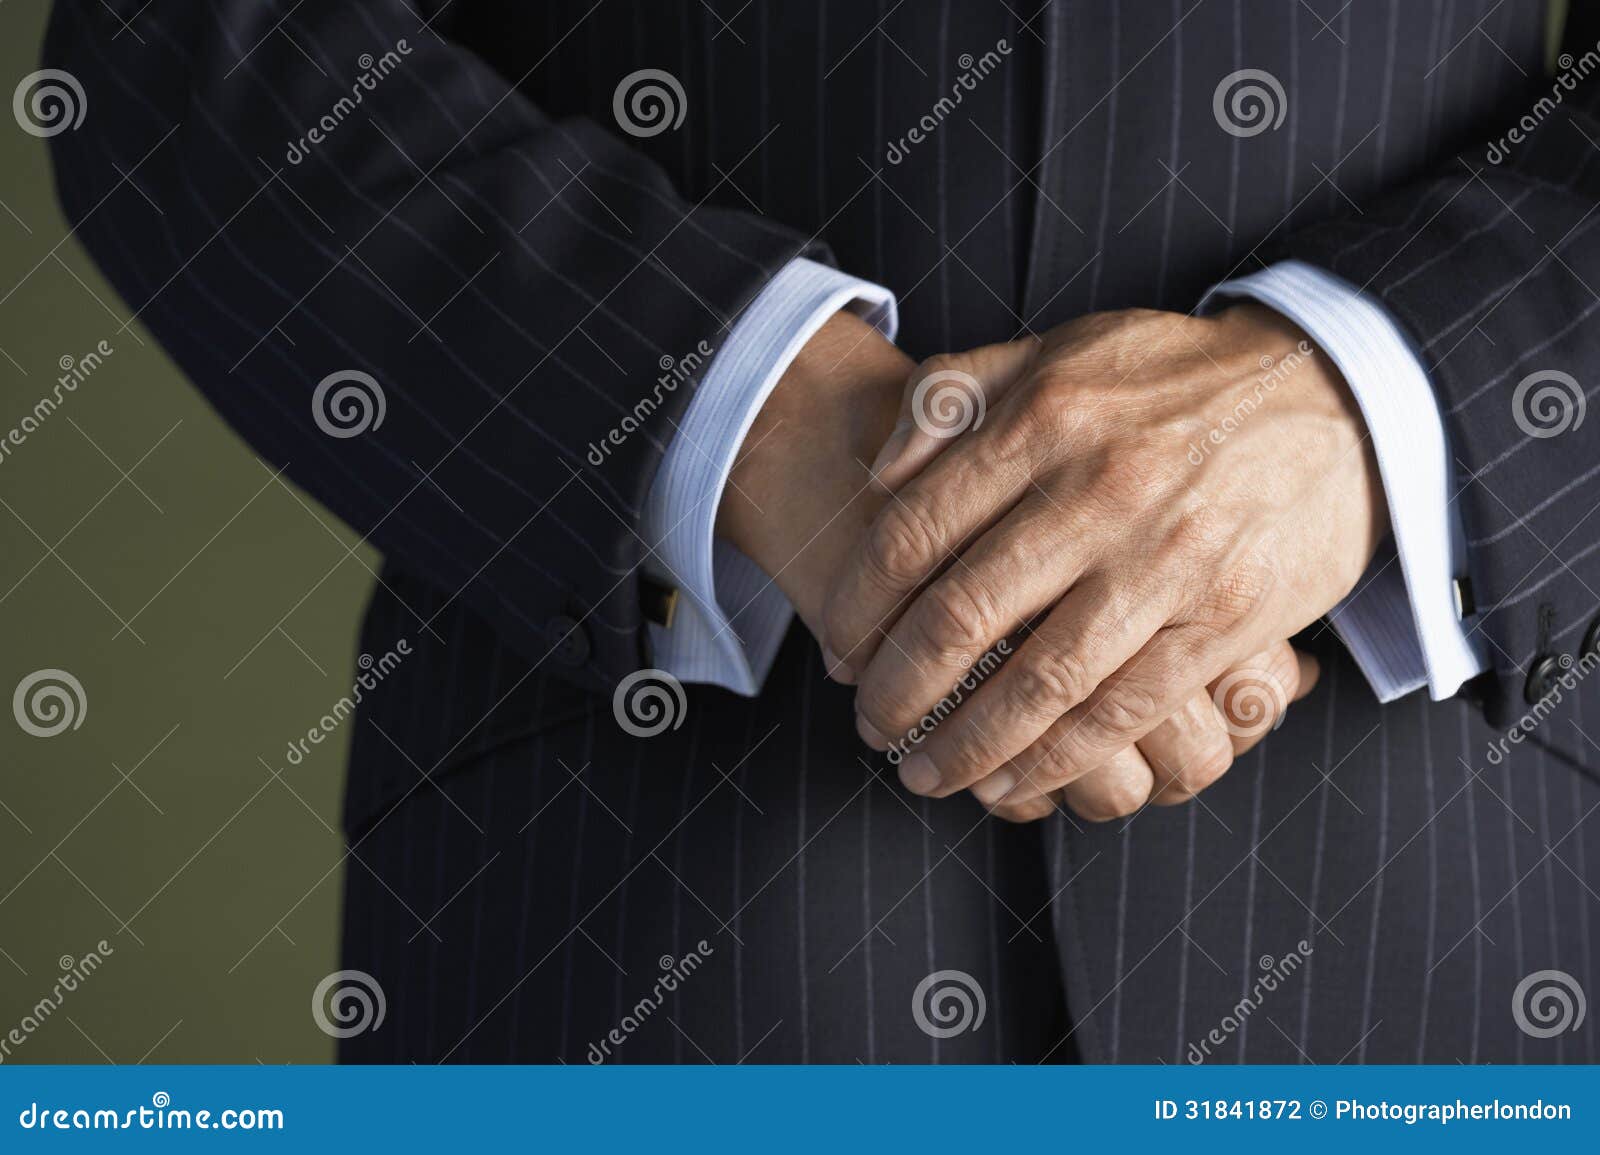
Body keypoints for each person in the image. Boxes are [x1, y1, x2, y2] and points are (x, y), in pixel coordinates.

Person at [46, 0, 1600, 1063]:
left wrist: (1368, 406)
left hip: (1437, 908)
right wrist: (771, 426)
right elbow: (181, 46)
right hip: (636, 925)